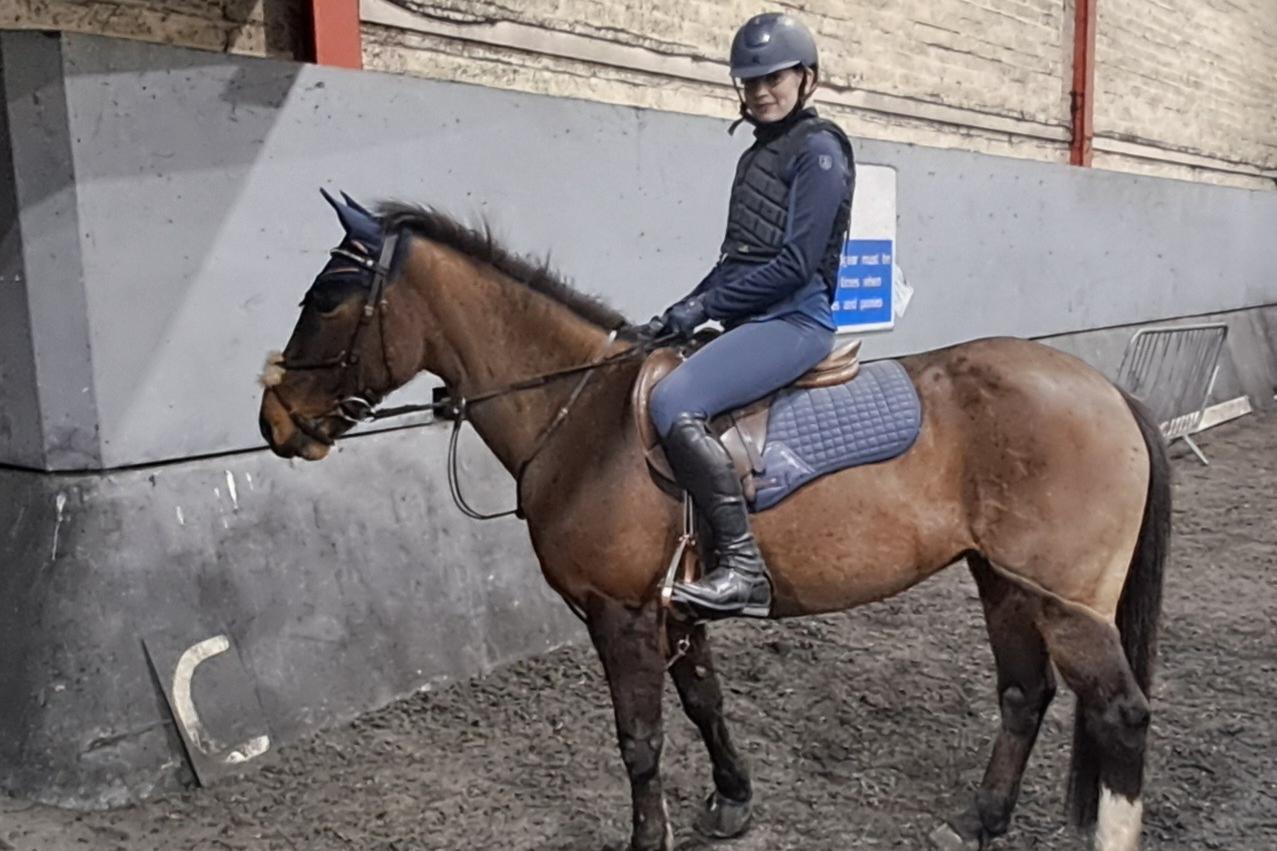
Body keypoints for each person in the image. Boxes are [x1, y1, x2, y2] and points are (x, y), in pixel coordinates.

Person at [642, 12, 856, 619]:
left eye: (774, 78)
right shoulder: (757, 156)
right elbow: (737, 259)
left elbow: (794, 264)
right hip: (755, 315)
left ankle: (742, 567)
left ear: (806, 78)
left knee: (672, 402)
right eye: (750, 81)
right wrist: (673, 315)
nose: (761, 92)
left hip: (796, 321)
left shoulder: (819, 152)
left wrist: (705, 307)